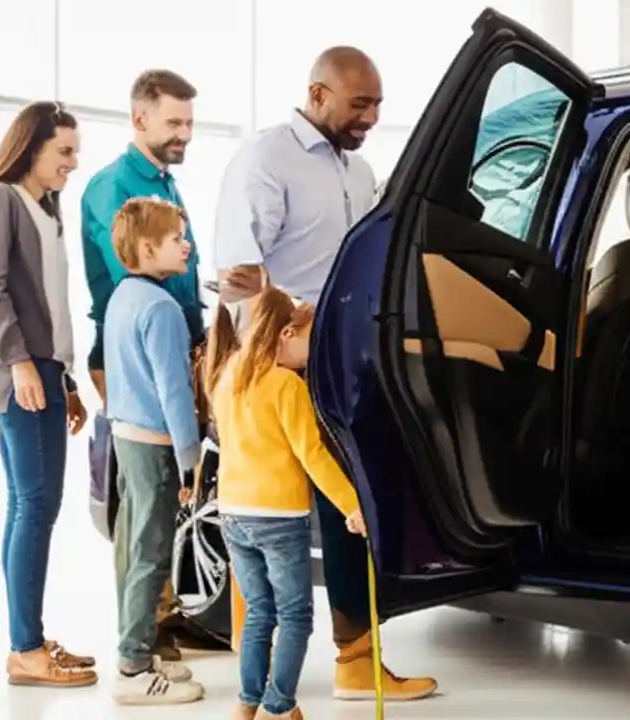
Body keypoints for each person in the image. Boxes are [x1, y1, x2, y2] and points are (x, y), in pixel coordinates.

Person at [213, 45, 437, 702]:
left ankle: (353, 659)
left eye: (376, 106)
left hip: (348, 359)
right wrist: (267, 370)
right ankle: (270, 679)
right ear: (318, 95)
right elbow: (239, 273)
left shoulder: (359, 169)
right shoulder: (267, 159)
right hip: (286, 360)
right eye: (358, 104)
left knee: (351, 502)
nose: (369, 116)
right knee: (282, 506)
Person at [0, 101, 96, 688]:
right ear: (32, 147)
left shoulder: (47, 208)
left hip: (45, 371)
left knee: (35, 506)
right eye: (63, 151)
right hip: (20, 371)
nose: (73, 162)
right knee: (34, 505)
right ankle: (24, 649)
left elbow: (49, 302)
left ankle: (29, 640)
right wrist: (19, 361)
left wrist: (63, 376)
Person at [81, 68, 203, 660]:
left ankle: (163, 613)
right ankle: (141, 635)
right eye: (174, 122)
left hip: (174, 343)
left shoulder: (166, 184)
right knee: (141, 511)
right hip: (135, 357)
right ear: (140, 120)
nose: (185, 133)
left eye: (189, 122)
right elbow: (133, 272)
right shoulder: (115, 189)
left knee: (154, 510)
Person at [203, 287, 368, 720]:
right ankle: (279, 707)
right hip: (278, 515)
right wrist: (353, 505)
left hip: (233, 513)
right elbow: (313, 454)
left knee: (259, 613)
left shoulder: (228, 374)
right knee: (295, 616)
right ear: (286, 332)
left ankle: (248, 703)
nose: (309, 356)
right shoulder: (285, 385)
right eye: (308, 343)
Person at [102, 197, 205, 705]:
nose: (185, 245)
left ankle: (136, 648)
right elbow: (174, 392)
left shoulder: (124, 296)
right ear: (147, 247)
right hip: (156, 445)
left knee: (131, 548)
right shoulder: (162, 308)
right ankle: (134, 667)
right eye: (175, 239)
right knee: (151, 552)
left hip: (125, 437)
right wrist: (192, 459)